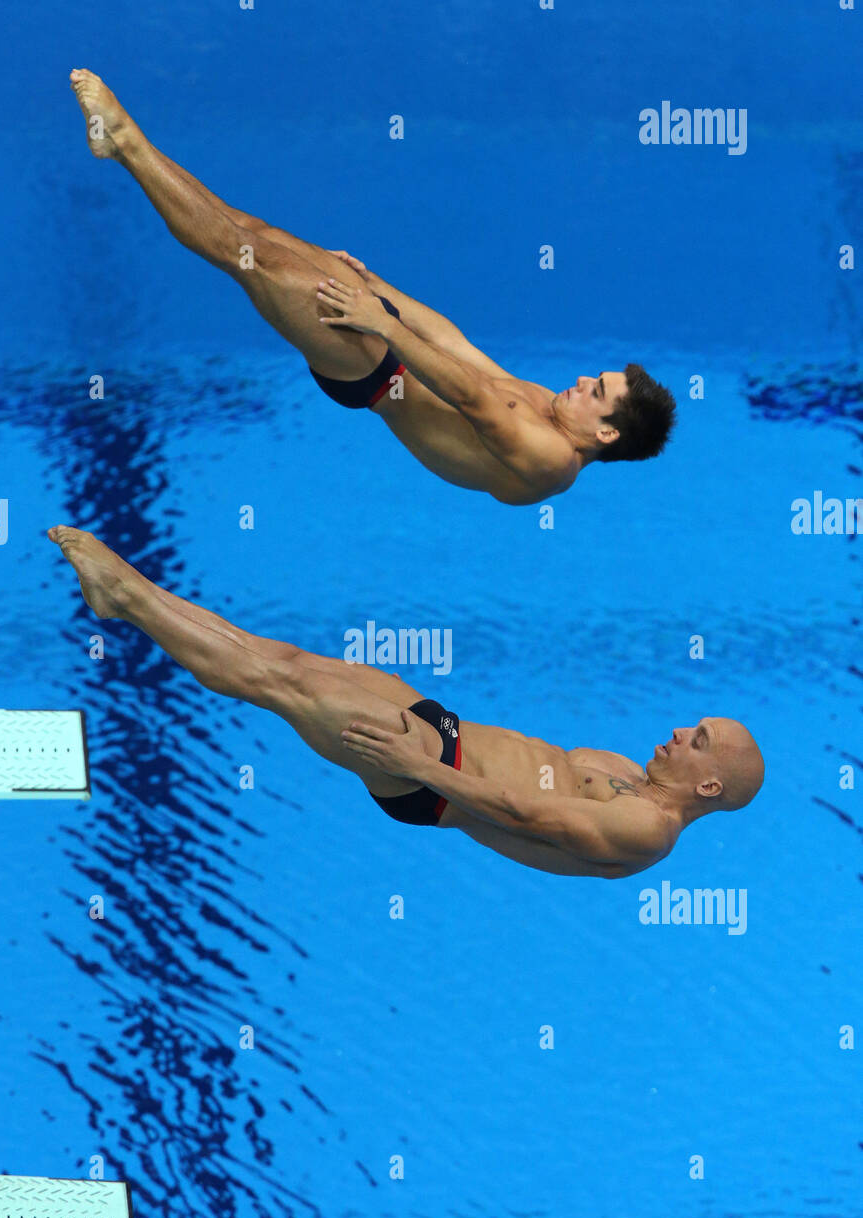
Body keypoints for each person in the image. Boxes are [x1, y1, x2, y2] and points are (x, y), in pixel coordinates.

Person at [69, 69, 676, 505]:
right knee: (252, 231)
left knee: (243, 258)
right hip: (382, 336)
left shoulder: (552, 463)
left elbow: (471, 400)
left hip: (372, 370)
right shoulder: (547, 404)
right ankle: (119, 145)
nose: (580, 381)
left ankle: (125, 142)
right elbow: (459, 347)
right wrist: (379, 288)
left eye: (596, 390)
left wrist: (381, 323)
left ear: (606, 434)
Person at [48, 526, 764, 880]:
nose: (678, 730)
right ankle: (132, 593)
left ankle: (127, 597)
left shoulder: (646, 829)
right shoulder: (626, 775)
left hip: (427, 775)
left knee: (276, 684)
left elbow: (521, 811)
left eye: (697, 739)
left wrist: (411, 762)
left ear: (708, 786)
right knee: (288, 661)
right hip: (441, 730)